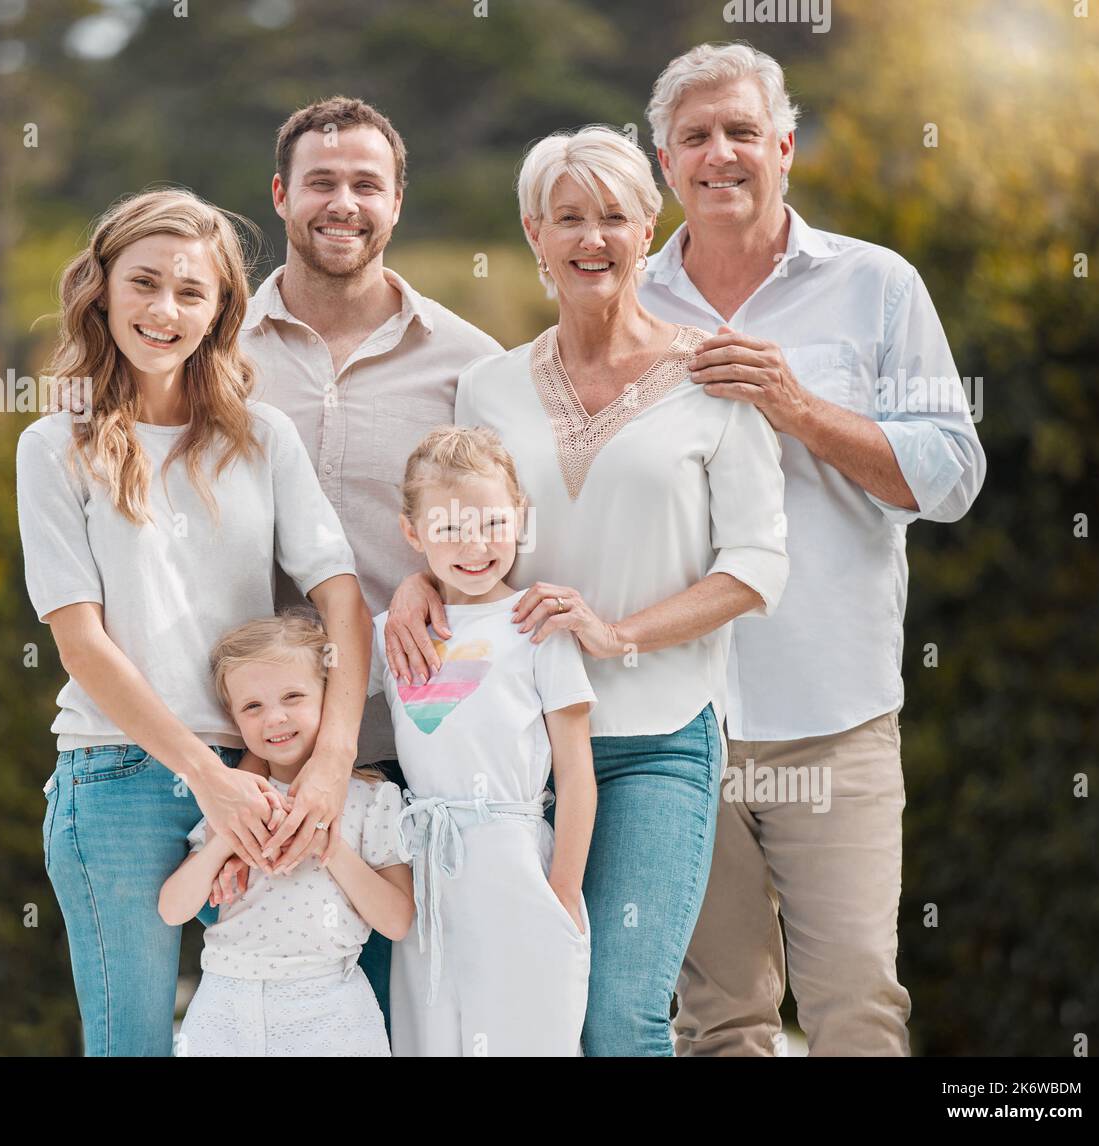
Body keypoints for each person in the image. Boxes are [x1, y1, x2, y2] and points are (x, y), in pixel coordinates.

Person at [383, 127, 790, 1056]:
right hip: (510, 758)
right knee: (524, 1016)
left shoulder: (714, 378)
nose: (591, 238)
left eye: (614, 215)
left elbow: (760, 563)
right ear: (534, 232)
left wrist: (618, 634)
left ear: (652, 226)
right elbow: (463, 523)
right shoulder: (486, 386)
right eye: (569, 217)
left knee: (618, 1014)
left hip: (653, 745)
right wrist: (415, 582)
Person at [640, 42, 986, 1056]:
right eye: (694, 137)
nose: (719, 155)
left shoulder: (877, 286)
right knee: (721, 1022)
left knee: (858, 1010)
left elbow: (951, 475)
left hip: (833, 717)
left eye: (741, 132)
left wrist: (800, 409)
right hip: (677, 723)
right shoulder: (626, 298)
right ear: (666, 163)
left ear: (784, 147)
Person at [16, 187, 370, 1056]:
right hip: (119, 779)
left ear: (220, 312)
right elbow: (81, 643)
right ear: (100, 289)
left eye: (190, 291)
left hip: (266, 776)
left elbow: (342, 601)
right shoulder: (53, 446)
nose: (163, 310)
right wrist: (208, 783)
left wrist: (324, 767)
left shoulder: (264, 438)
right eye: (143, 283)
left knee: (287, 1025)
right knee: (133, 1044)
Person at [230, 96, 503, 1025]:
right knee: (279, 993)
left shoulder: (471, 365)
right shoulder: (217, 355)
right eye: (320, 182)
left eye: (365, 184)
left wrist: (436, 570)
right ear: (280, 194)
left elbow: (502, 533)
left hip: (425, 732)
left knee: (413, 1012)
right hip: (265, 746)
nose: (341, 203)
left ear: (396, 202)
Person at [369, 426, 597, 1056]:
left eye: (493, 523)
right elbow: (324, 714)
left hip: (516, 860)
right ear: (412, 533)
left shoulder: (537, 624)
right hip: (426, 871)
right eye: (447, 530)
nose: (474, 545)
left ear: (519, 518)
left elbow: (576, 774)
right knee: (435, 1038)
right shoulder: (394, 631)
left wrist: (561, 893)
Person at [160, 613, 413, 1056]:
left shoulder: (372, 799)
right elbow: (173, 910)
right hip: (225, 1006)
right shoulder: (232, 803)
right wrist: (226, 839)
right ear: (233, 717)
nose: (274, 718)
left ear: (329, 697)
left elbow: (396, 920)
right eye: (252, 707)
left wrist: (328, 849)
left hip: (331, 1009)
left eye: (293, 696)